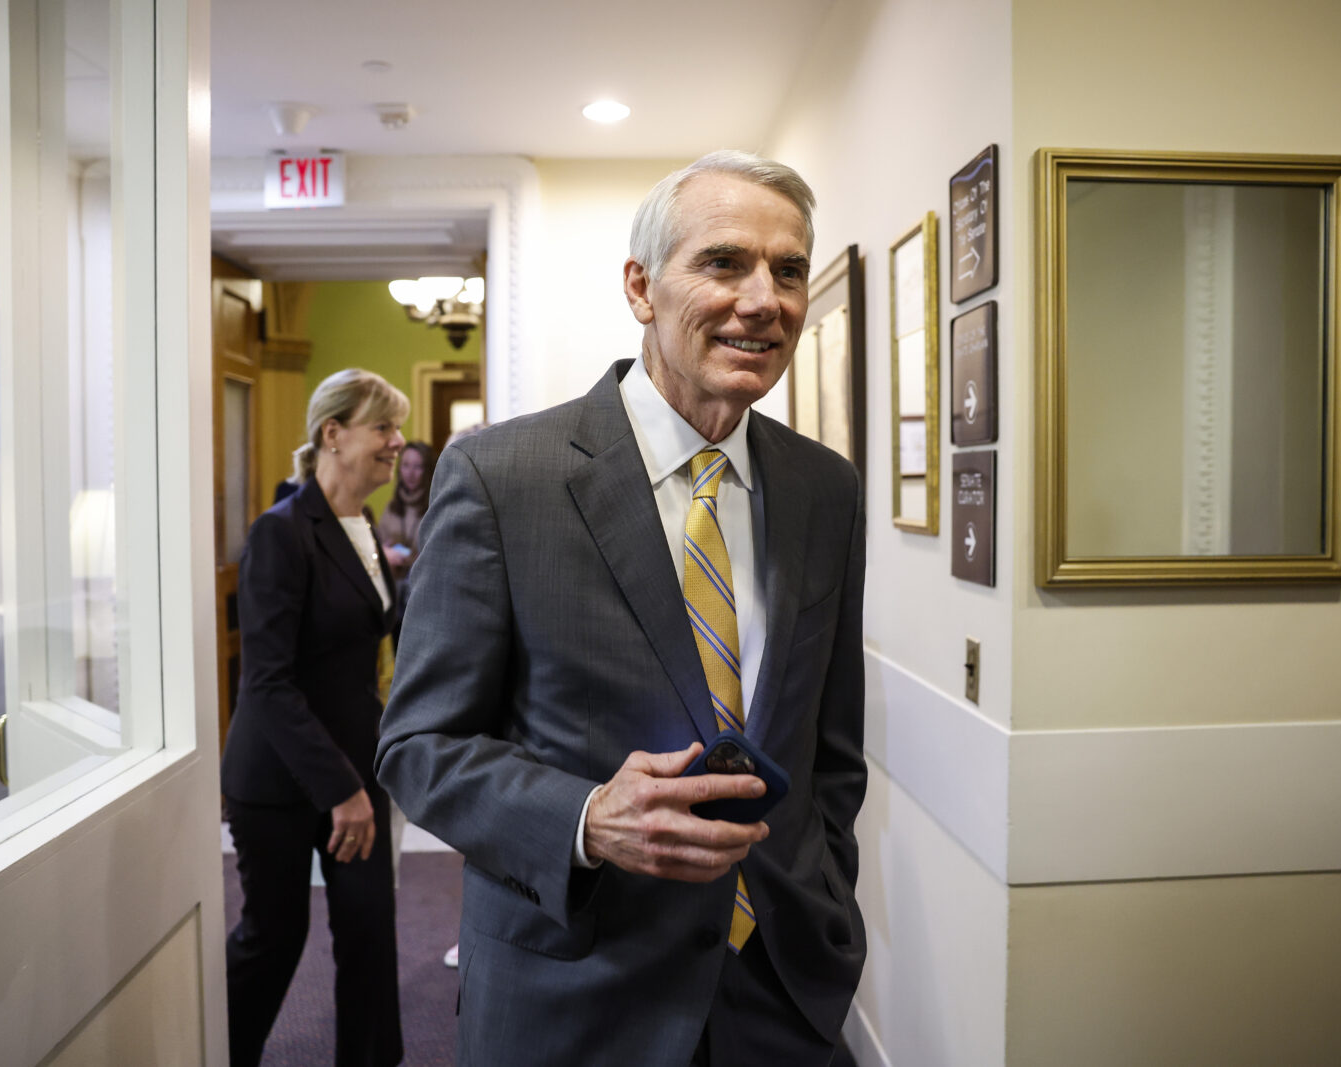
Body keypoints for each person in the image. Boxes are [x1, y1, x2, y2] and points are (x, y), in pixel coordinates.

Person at [377, 151, 867, 1066]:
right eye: (725, 262)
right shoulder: (502, 477)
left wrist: (828, 897)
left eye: (789, 270)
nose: (763, 299)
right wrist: (587, 816)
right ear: (641, 288)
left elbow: (830, 754)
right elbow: (417, 747)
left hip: (781, 992)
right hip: (574, 996)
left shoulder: (826, 489)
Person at [221, 368, 409, 1067]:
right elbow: (268, 684)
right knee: (274, 937)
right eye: (383, 427)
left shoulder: (364, 527)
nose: (398, 443)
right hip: (278, 779)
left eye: (397, 429)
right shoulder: (279, 532)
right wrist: (341, 790)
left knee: (370, 933)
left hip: (357, 765)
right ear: (333, 433)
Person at [377, 440, 434, 585]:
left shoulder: (433, 508)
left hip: (422, 584)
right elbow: (378, 548)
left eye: (418, 467)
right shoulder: (391, 508)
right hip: (392, 583)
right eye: (405, 465)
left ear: (427, 471)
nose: (410, 473)